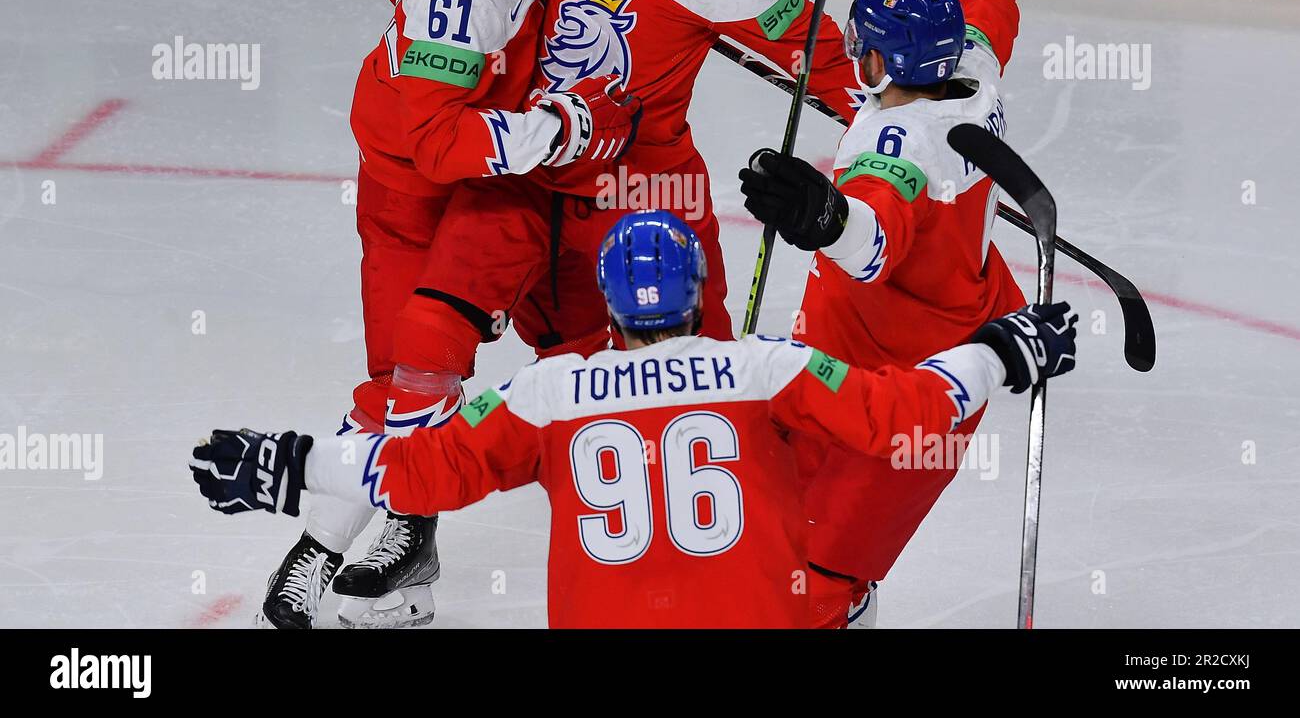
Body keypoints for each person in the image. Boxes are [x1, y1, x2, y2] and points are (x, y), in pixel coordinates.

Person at [192, 211, 1079, 628]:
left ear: (607, 309)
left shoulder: (550, 390)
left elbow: (420, 472)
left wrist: (288, 463)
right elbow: (904, 413)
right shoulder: (758, 367)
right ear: (701, 297)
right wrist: (1003, 349)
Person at [371, 0, 866, 461]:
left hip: (642, 181)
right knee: (431, 334)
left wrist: (900, 127)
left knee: (698, 361)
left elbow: (821, 57)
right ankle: (405, 508)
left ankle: (729, 485)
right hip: (527, 171)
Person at [258, 0, 640, 630]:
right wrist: (565, 127)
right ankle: (338, 549)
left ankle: (400, 531)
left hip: (503, 185)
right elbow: (438, 146)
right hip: (419, 184)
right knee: (406, 382)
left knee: (527, 361)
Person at [738, 0, 1025, 627]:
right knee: (773, 525)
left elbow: (871, 246)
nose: (851, 56)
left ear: (883, 63)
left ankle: (844, 599)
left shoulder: (891, 147)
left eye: (861, 47)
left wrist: (823, 217)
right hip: (930, 337)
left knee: (815, 578)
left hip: (897, 378)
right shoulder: (974, 65)